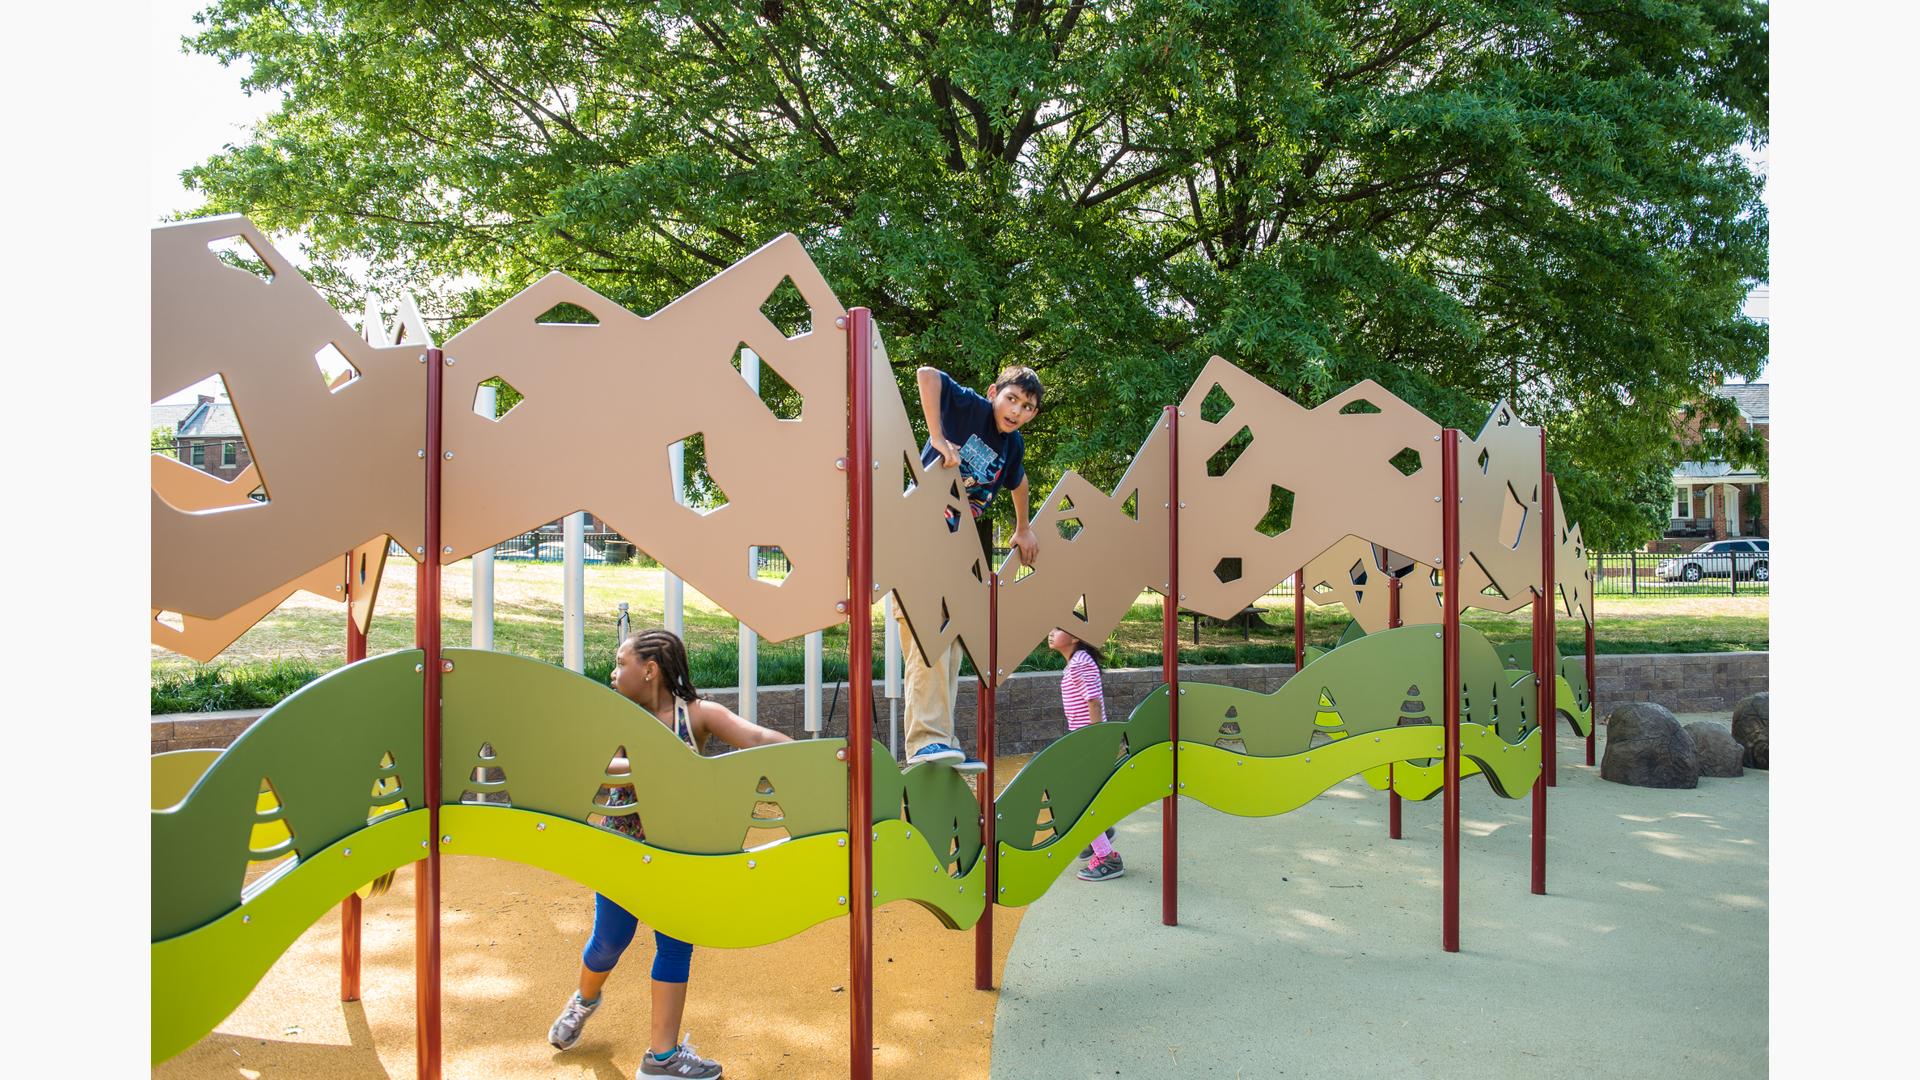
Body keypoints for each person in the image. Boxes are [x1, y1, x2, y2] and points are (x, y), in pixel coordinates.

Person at [548, 628, 791, 1078]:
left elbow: (755, 739)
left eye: (621, 663)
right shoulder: (617, 718)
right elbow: (592, 764)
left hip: (678, 852)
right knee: (609, 942)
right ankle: (584, 1000)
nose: (614, 672)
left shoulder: (696, 715)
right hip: (623, 848)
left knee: (676, 944)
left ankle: (662, 1057)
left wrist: (813, 757)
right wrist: (659, 763)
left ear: (650, 669)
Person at [897, 364, 1043, 773]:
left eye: (1027, 407)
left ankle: (943, 740)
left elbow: (1020, 482)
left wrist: (1023, 527)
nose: (1016, 411)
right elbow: (926, 374)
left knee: (954, 638)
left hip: (951, 548)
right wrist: (937, 435)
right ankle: (925, 740)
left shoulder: (1012, 448)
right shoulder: (970, 408)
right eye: (1011, 399)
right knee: (930, 633)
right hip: (918, 533)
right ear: (994, 392)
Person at [1048, 626, 1123, 882]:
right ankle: (1100, 833)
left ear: (1075, 636)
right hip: (1081, 741)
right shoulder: (1076, 662)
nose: (1051, 633)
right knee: (1076, 796)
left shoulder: (1080, 662)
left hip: (1087, 742)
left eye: (1058, 629)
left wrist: (1095, 741)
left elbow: (1093, 702)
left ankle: (1106, 857)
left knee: (1077, 800)